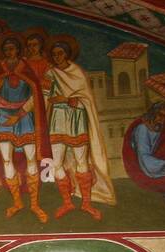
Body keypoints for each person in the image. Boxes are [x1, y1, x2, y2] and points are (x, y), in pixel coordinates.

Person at [44, 36, 115, 220]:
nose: (57, 56)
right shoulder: (51, 73)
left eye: (60, 53)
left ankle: (86, 203)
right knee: (57, 163)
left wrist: (66, 99)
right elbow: (45, 96)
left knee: (81, 162)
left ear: (67, 54)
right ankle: (67, 202)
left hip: (76, 120)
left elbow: (86, 100)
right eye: (54, 54)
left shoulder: (77, 72)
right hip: (57, 121)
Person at [0, 34, 48, 222]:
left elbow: (35, 95)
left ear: (18, 50)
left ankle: (35, 204)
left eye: (12, 48)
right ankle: (17, 202)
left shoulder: (25, 68)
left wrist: (18, 115)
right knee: (7, 160)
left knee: (30, 159)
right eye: (6, 49)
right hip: (3, 117)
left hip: (24, 116)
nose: (9, 52)